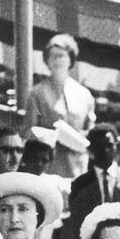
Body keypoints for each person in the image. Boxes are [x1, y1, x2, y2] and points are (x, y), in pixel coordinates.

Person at [56, 124, 120, 239]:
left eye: (109, 145)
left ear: (116, 146)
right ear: (91, 149)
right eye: (98, 146)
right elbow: (77, 223)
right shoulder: (80, 184)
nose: (105, 151)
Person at [23, 34, 96, 178]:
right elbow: (27, 130)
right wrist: (52, 135)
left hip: (77, 164)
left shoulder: (84, 94)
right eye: (52, 56)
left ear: (70, 59)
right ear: (47, 61)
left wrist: (78, 138)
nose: (57, 60)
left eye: (61, 55)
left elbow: (91, 129)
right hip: (49, 165)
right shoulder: (37, 93)